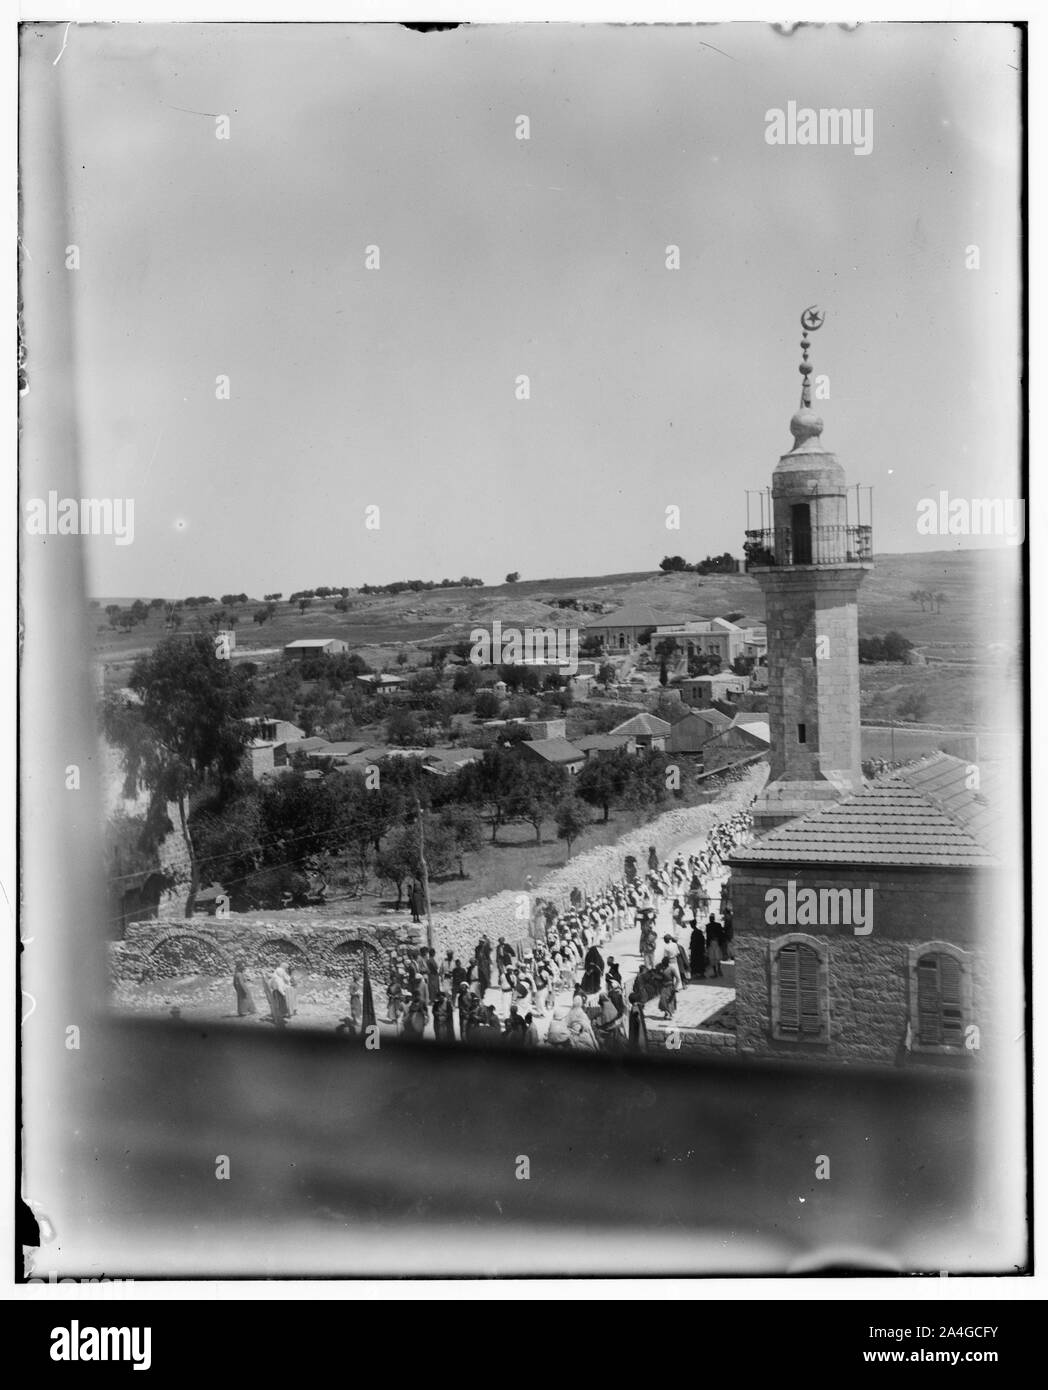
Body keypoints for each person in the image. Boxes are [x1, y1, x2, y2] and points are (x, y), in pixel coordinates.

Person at [268, 962, 293, 1028]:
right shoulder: (278, 979)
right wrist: (283, 994)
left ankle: (280, 1015)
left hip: (275, 992)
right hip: (278, 993)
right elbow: (279, 988)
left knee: (279, 1004)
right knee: (280, 1005)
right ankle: (280, 1017)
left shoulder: (274, 977)